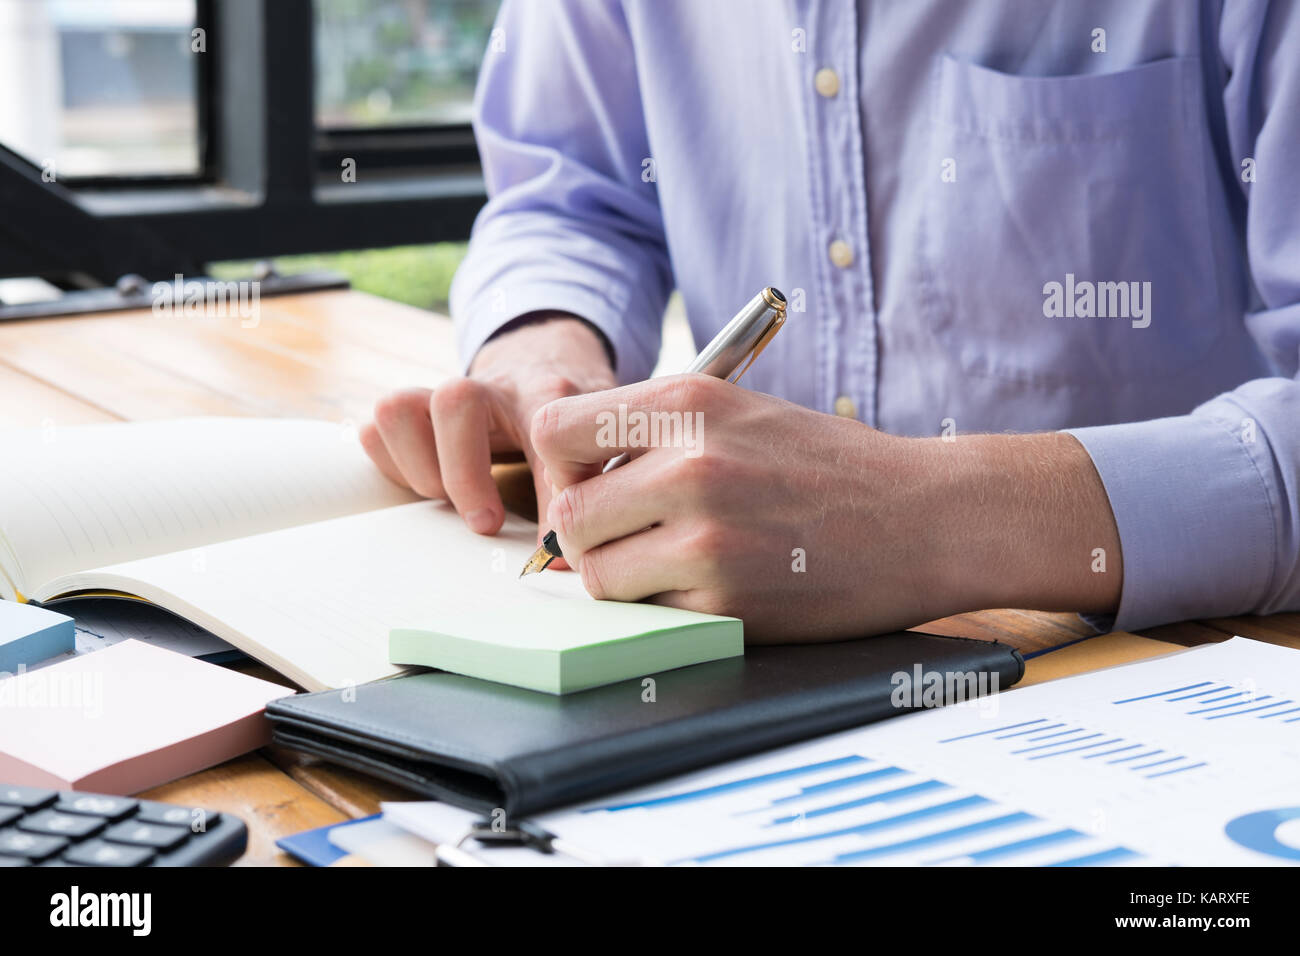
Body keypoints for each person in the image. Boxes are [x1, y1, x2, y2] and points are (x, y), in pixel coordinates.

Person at [361, 0, 1300, 640]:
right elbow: (575, 194)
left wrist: (935, 518)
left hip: (1170, 672)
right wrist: (546, 349)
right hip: (748, 650)